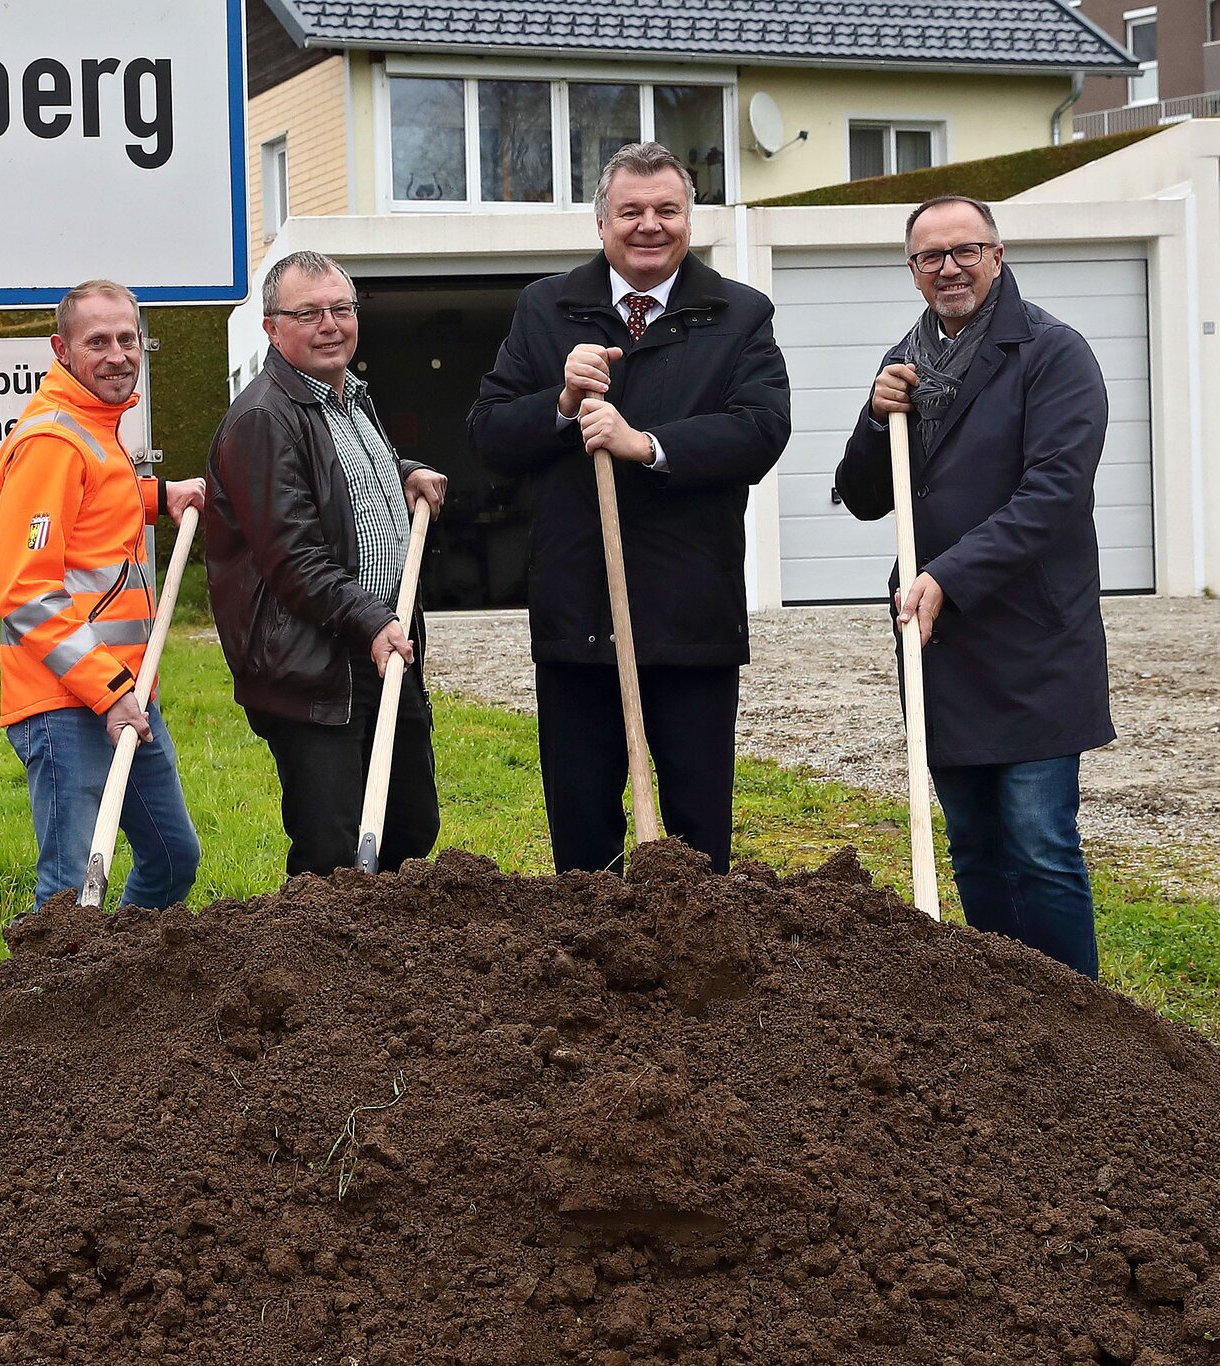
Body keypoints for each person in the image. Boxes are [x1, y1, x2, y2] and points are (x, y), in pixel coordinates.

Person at [467, 141, 790, 875]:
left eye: (667, 209)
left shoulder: (738, 314)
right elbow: (489, 432)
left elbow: (761, 431)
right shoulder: (547, 308)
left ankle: (696, 968)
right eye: (631, 211)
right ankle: (588, 978)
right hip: (578, 611)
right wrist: (559, 401)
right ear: (602, 224)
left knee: (698, 828)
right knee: (581, 830)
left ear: (689, 219)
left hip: (691, 613)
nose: (650, 225)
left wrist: (644, 444)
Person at [834, 194, 1114, 978]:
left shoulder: (1054, 354)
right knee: (976, 849)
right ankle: (1005, 1014)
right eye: (931, 256)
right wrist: (871, 414)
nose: (949, 267)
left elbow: (1053, 495)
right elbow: (863, 496)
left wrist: (948, 575)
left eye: (966, 250)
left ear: (998, 253)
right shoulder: (908, 358)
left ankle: (1084, 1029)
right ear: (914, 270)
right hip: (941, 645)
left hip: (1031, 639)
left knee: (1039, 844)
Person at [205, 250, 449, 878]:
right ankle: (313, 976)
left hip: (378, 650)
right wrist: (370, 621)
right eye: (308, 313)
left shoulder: (348, 398)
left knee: (410, 829)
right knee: (333, 854)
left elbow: (339, 485)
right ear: (271, 327)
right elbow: (292, 556)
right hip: (316, 668)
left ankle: (394, 969)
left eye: (341, 309)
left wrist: (403, 473)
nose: (330, 324)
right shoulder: (262, 418)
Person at [0, 281, 206, 911]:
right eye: (97, 342)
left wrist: (159, 497)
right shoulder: (51, 442)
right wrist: (110, 694)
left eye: (127, 338)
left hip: (124, 691)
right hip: (69, 702)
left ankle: (118, 986)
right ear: (61, 348)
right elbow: (27, 592)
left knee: (171, 857)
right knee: (70, 892)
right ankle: (49, 1005)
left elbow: (94, 508)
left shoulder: (93, 426)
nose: (117, 354)